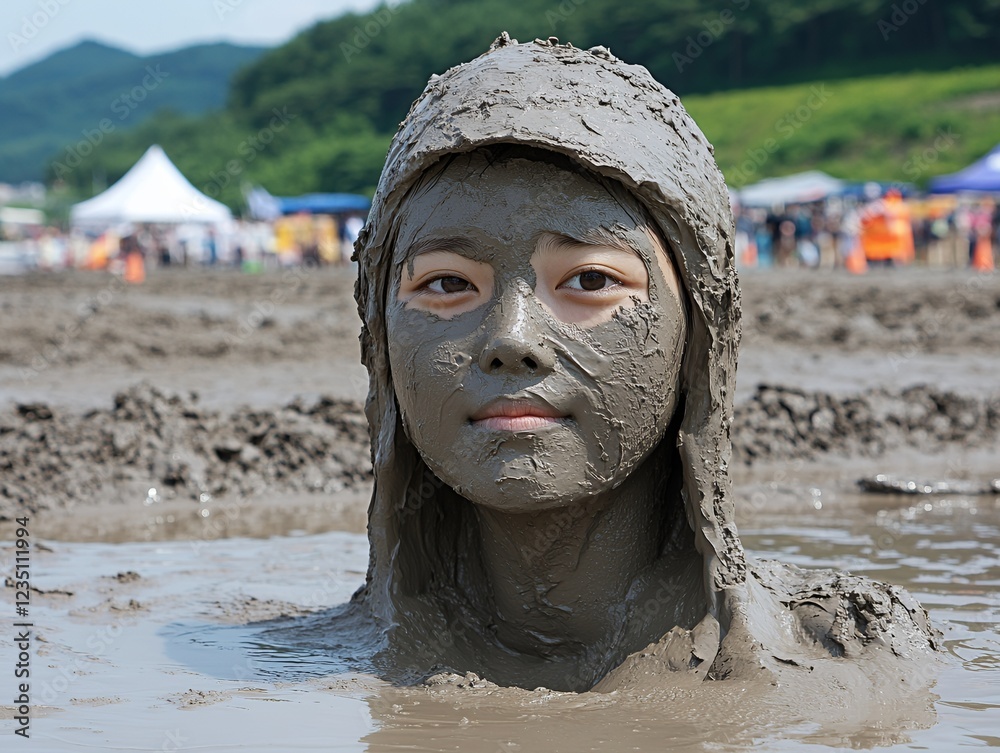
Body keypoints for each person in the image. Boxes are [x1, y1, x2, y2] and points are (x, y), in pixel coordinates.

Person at [347, 35, 938, 703]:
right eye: (449, 284)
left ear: (699, 331)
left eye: (590, 278)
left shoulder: (858, 656)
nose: (511, 341)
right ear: (382, 340)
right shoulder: (305, 659)